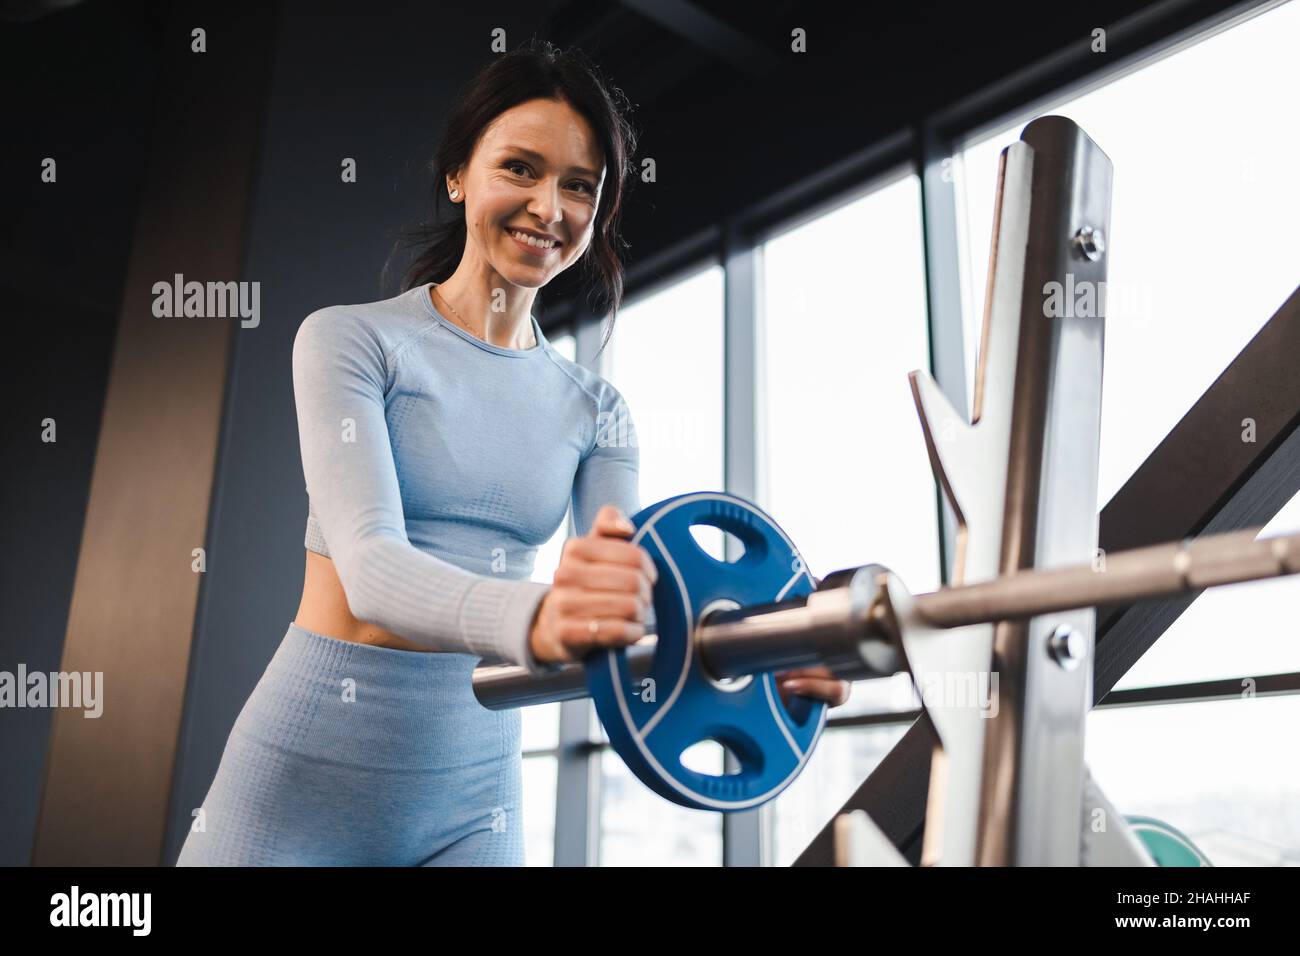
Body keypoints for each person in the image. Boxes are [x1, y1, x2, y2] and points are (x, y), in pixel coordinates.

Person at [177, 38, 846, 868]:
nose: (547, 205)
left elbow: (624, 600)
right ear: (459, 175)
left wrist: (779, 641)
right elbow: (372, 569)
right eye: (519, 169)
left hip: (472, 795)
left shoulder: (596, 409)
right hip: (303, 776)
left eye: (578, 186)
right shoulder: (352, 341)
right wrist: (538, 615)